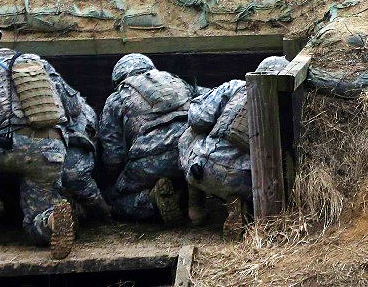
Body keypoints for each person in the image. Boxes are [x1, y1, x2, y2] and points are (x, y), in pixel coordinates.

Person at [0, 21, 74, 258]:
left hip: (14, 148)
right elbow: (71, 107)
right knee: (32, 225)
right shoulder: (37, 62)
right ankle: (51, 222)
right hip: (54, 148)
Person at [179, 56, 289, 235]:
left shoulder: (235, 87)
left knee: (188, 134)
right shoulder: (288, 105)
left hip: (204, 170)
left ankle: (196, 209)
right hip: (254, 183)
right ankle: (240, 205)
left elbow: (198, 119)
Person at [99, 54, 194, 224]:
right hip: (188, 153)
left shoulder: (116, 98)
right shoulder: (178, 82)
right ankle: (187, 201)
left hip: (148, 160)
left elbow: (113, 156)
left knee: (113, 199)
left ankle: (152, 200)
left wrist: (115, 178)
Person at [58, 78, 111, 223]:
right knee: (99, 208)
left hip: (48, 163)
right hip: (77, 169)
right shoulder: (86, 111)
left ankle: (60, 217)